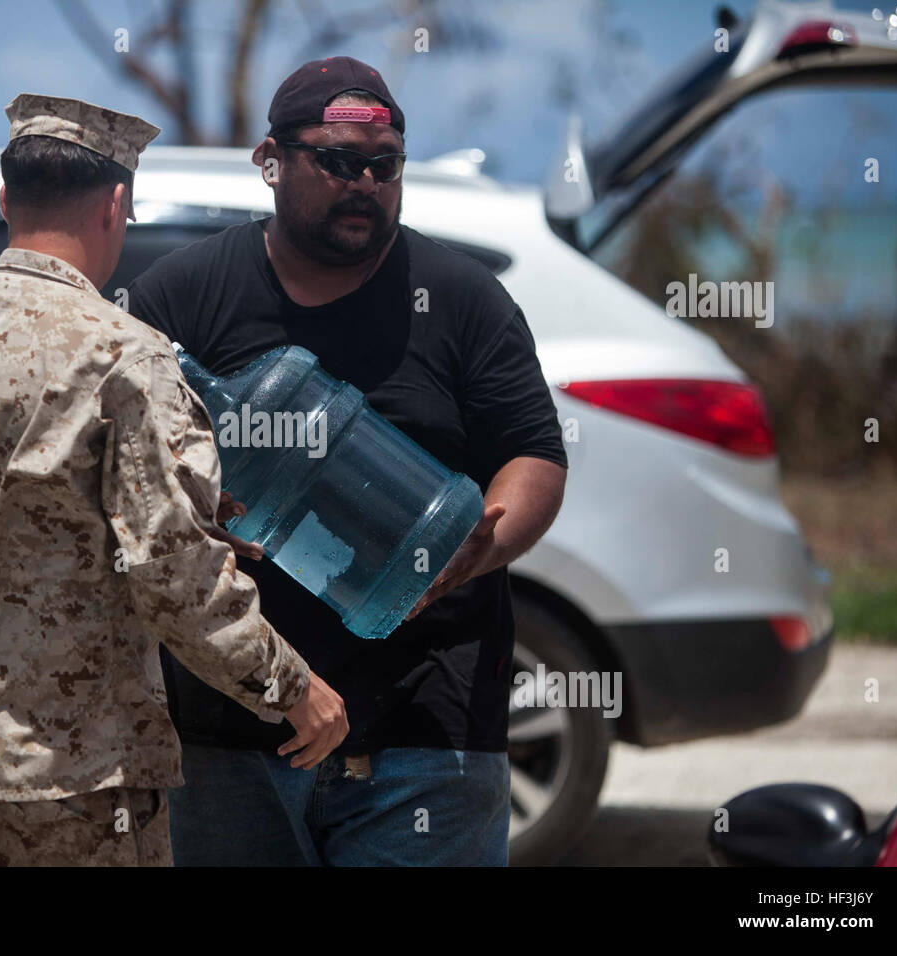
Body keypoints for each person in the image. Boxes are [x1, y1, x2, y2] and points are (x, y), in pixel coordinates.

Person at [0, 93, 347, 867]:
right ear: (117, 202)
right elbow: (174, 571)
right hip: (68, 778)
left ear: (6, 199)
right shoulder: (125, 355)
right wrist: (290, 687)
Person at [127, 57, 568, 866]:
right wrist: (195, 522)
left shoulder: (458, 297)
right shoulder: (183, 296)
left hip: (428, 728)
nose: (364, 182)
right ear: (271, 160)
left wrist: (483, 550)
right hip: (235, 725)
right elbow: (126, 475)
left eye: (383, 165)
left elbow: (534, 454)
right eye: (336, 162)